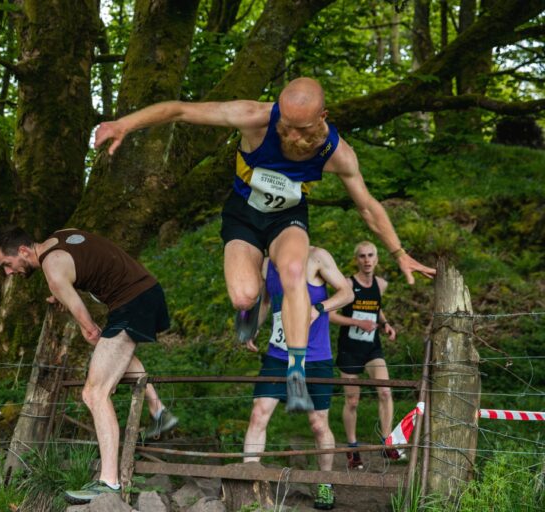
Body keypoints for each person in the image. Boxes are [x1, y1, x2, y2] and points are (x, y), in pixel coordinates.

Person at [94, 76, 435, 412]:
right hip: (243, 214)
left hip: (288, 217)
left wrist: (399, 252)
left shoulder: (337, 152)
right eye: (286, 125)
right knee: (243, 294)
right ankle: (248, 308)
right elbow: (180, 110)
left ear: (323, 118)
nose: (291, 135)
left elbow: (367, 206)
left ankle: (296, 371)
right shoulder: (254, 117)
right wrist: (124, 124)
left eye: (302, 129)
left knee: (293, 271)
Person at [0, 225, 177, 503]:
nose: (7, 272)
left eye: (7, 263)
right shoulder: (62, 235)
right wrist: (63, 291)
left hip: (132, 303)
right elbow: (84, 260)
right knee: (114, 352)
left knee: (94, 392)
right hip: (145, 293)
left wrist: (86, 325)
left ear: (24, 251)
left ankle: (109, 482)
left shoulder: (52, 270)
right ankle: (159, 410)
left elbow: (88, 327)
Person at [243, 248, 353, 510]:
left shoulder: (317, 256)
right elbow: (267, 301)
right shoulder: (268, 264)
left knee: (317, 423)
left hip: (314, 357)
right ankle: (248, 483)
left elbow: (347, 293)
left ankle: (325, 484)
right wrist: (253, 327)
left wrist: (319, 308)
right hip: (278, 355)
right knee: (259, 413)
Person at [329, 241, 403, 469]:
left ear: (377, 258)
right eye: (362, 256)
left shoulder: (381, 285)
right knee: (352, 400)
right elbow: (330, 314)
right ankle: (353, 449)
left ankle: (386, 442)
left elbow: (376, 308)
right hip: (349, 349)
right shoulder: (348, 285)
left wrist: (386, 323)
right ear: (357, 260)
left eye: (371, 255)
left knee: (385, 390)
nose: (367, 260)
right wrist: (356, 321)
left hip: (372, 348)